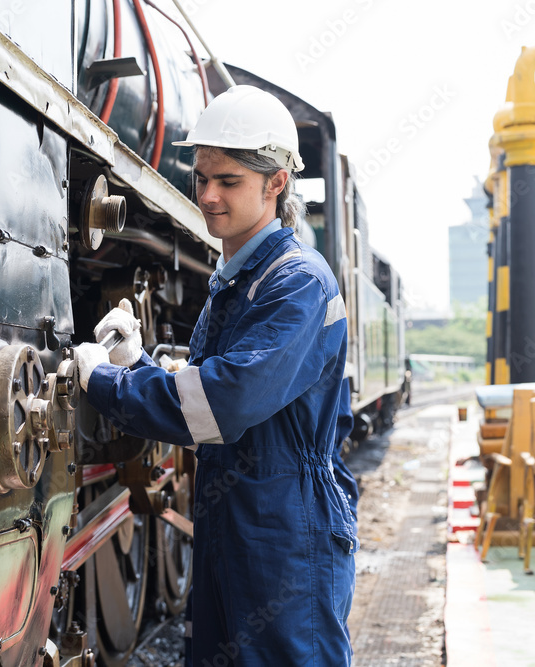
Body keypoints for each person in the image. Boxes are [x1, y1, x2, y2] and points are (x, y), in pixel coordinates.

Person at [74, 85, 357, 665]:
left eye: (228, 182)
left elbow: (222, 403)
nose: (207, 196)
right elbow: (210, 384)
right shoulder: (238, 279)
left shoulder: (295, 281)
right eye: (202, 178)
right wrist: (139, 363)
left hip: (287, 527)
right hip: (242, 517)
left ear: (276, 182)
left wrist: (105, 382)